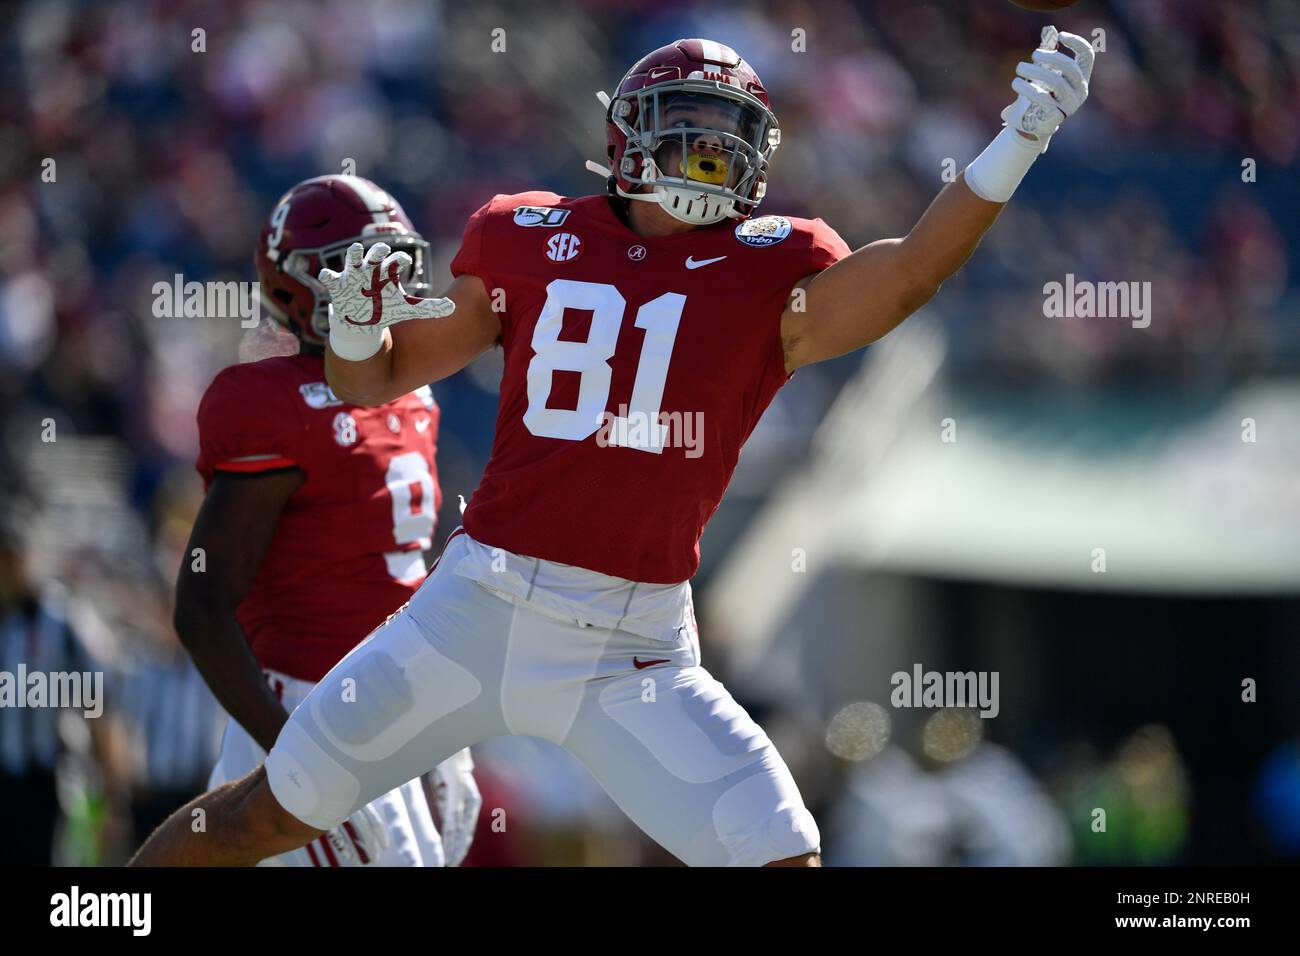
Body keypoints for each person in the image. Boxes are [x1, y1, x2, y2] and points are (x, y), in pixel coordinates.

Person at [132, 29, 1094, 867]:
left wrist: (1016, 143)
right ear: (628, 133)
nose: (714, 146)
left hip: (632, 645)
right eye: (691, 121)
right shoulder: (523, 234)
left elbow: (914, 273)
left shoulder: (777, 266)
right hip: (477, 605)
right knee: (270, 813)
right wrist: (349, 332)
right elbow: (371, 379)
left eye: (730, 131)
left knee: (777, 850)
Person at [167, 175, 479, 866]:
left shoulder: (413, 392)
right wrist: (295, 749)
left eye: (392, 265)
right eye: (358, 270)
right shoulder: (271, 403)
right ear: (290, 292)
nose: (379, 288)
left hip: (395, 702)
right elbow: (201, 604)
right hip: (308, 702)